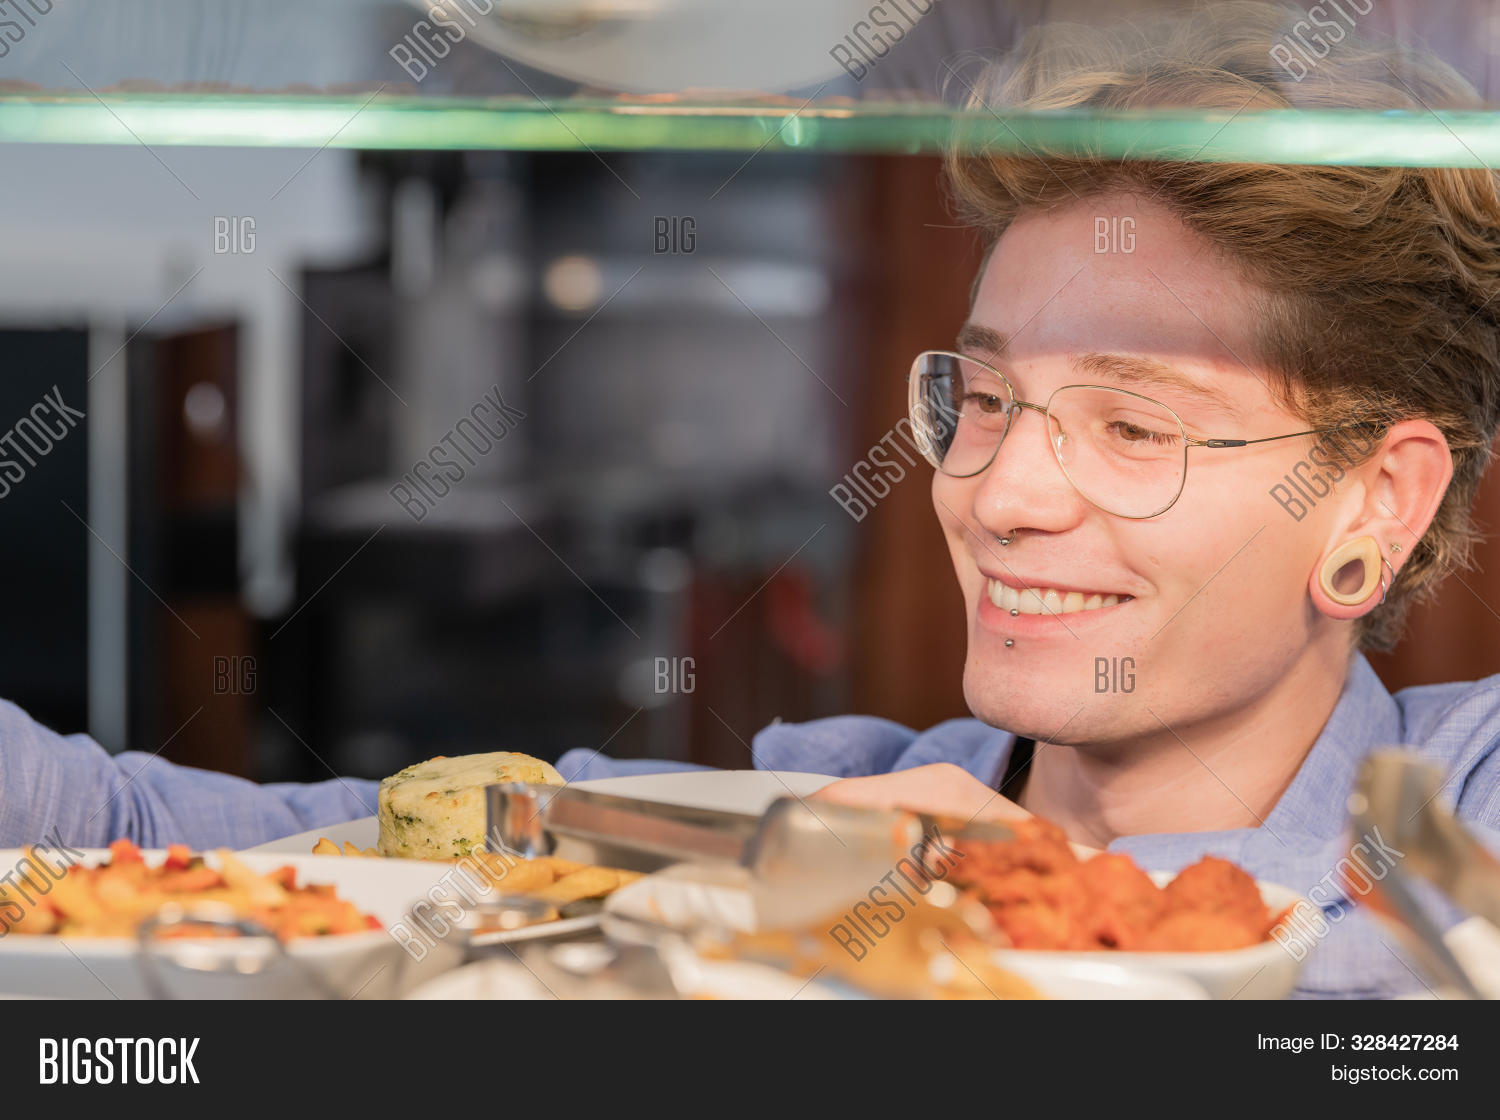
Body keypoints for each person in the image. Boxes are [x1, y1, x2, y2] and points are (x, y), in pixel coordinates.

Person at [1, 4, 1496, 998]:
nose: (1001, 494)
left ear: (1376, 501)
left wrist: (1011, 901)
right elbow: (157, 840)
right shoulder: (818, 795)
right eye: (981, 402)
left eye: (1134, 427)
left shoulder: (1467, 797)